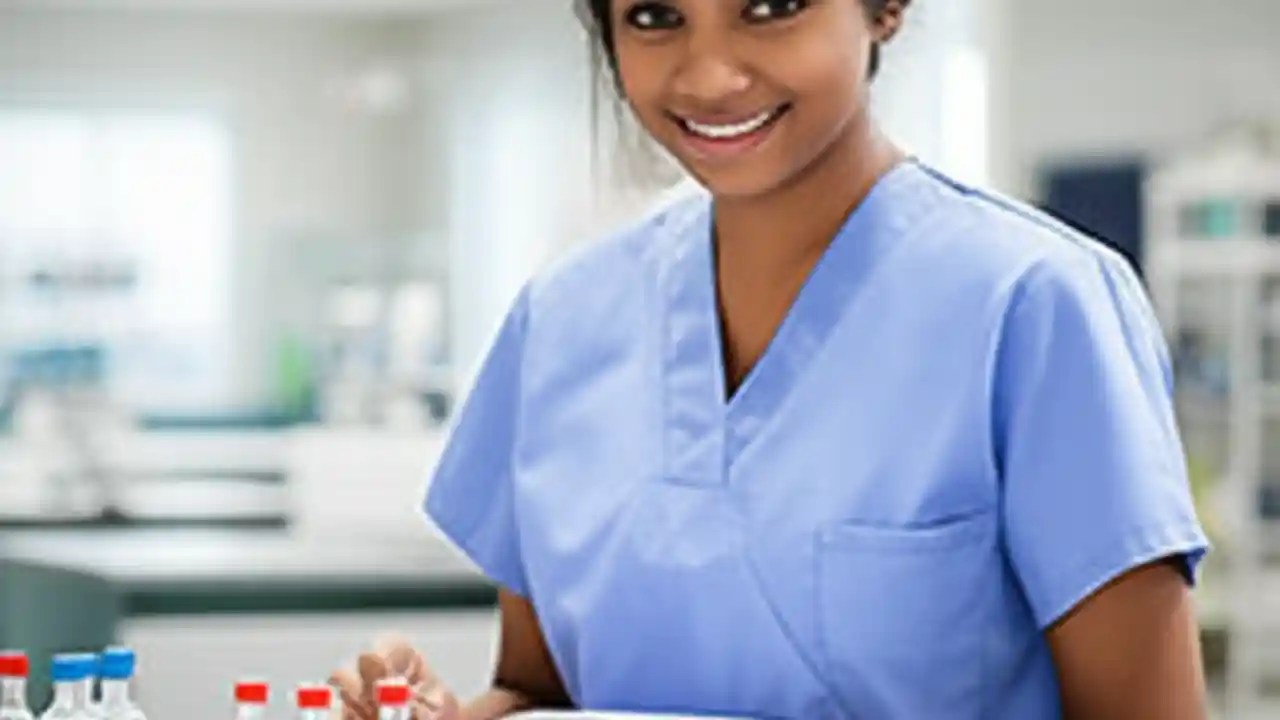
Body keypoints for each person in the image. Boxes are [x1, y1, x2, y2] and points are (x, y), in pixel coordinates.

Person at [332, 0, 1211, 717]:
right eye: (653, 17)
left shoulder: (1034, 303)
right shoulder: (561, 319)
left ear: (885, 10)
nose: (710, 75)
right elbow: (538, 691)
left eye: (772, 7)